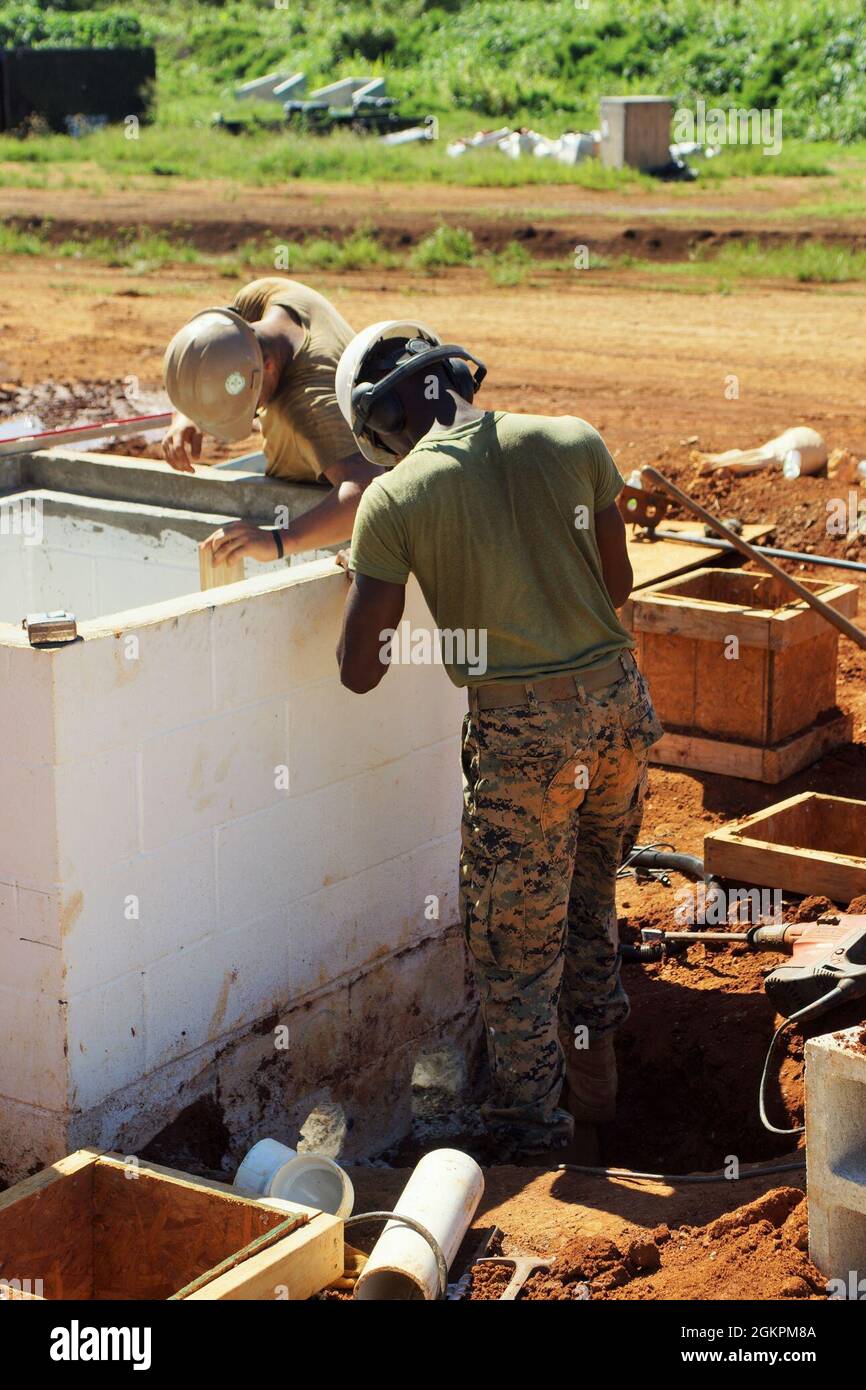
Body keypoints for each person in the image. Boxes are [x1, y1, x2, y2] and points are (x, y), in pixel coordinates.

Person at [332, 319, 664, 1158]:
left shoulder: (397, 498)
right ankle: (601, 1101)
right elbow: (617, 583)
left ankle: (534, 1143)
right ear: (455, 373)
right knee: (590, 897)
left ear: (381, 426)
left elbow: (358, 672)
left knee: (515, 950)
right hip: (619, 712)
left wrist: (375, 569)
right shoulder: (572, 439)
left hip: (524, 740)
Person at [161, 277, 381, 566]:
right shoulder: (267, 296)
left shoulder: (310, 405)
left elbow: (367, 488)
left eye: (252, 406)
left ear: (267, 366)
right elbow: (214, 346)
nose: (256, 412)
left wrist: (277, 541)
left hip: (323, 487)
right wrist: (188, 414)